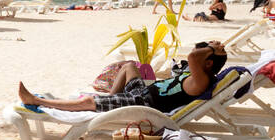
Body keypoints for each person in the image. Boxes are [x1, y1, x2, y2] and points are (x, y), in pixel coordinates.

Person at [18, 41, 227, 115]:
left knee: (88, 101)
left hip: (144, 104)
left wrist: (212, 49)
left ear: (208, 63)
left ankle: (35, 100)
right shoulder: (194, 73)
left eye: (207, 51)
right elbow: (195, 54)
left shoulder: (202, 80)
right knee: (128, 67)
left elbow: (193, 56)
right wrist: (212, 48)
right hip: (142, 93)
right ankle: (110, 100)